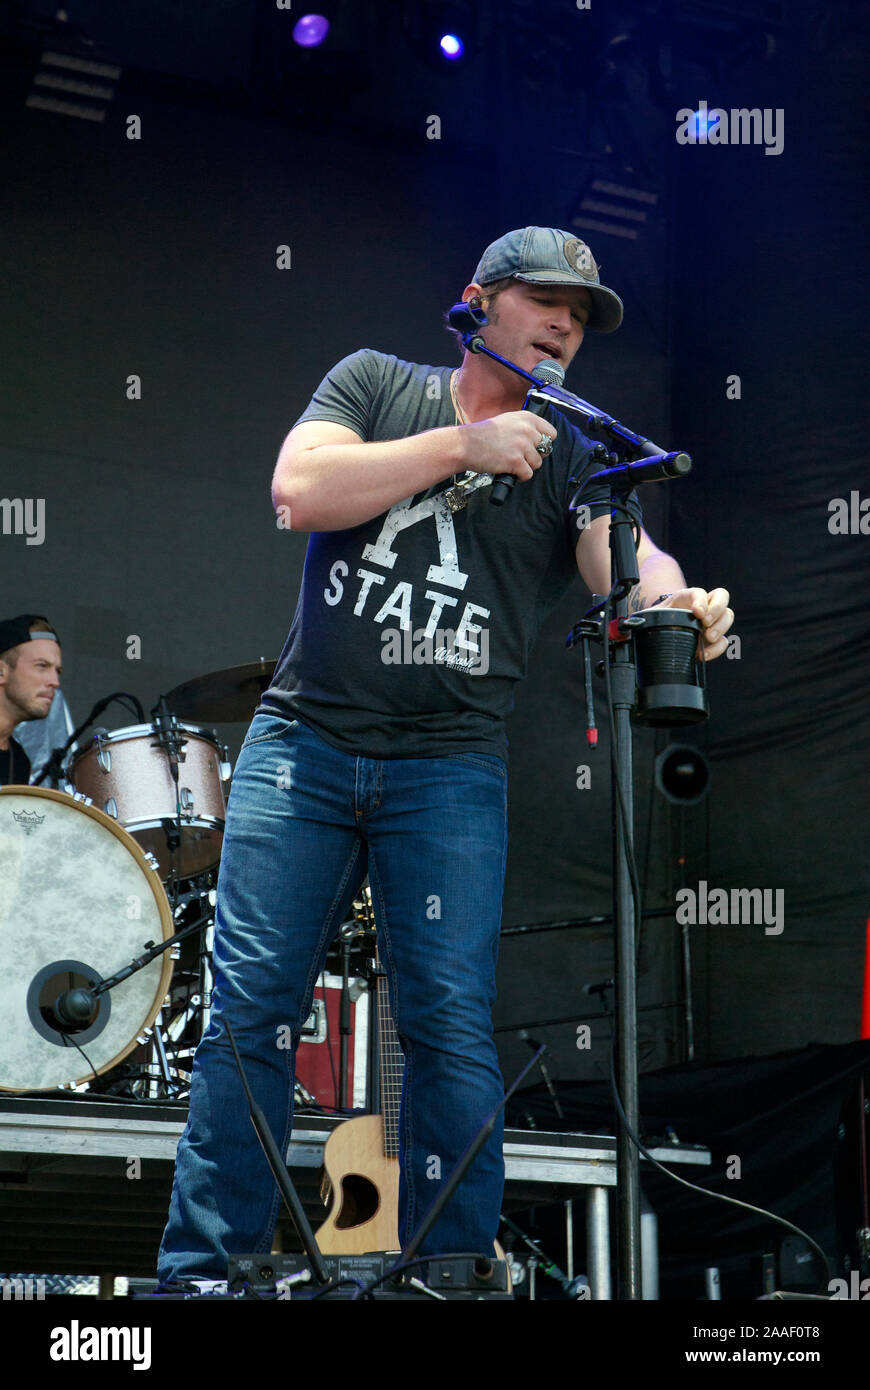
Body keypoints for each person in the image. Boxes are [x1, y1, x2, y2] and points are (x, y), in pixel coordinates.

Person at [157, 226, 733, 1284]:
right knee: (251, 1014)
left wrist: (682, 603)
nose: (566, 324)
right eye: (545, 301)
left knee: (451, 1024)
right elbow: (301, 489)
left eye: (582, 316)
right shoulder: (375, 383)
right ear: (478, 302)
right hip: (307, 745)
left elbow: (630, 559)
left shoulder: (571, 451)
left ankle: (448, 1273)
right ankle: (205, 1273)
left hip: (450, 766)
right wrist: (463, 448)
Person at [0, 615, 63, 787]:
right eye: (42, 666)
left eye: (58, 671)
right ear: (1, 671)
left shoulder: (19, 761)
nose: (55, 682)